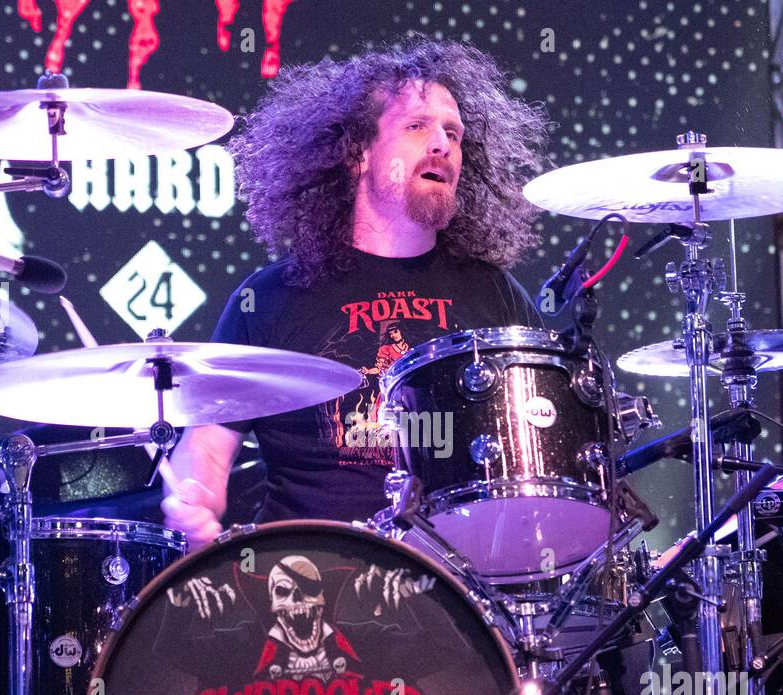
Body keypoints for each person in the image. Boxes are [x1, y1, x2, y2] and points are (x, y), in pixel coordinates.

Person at [161, 37, 549, 545]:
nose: (442, 144)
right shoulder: (271, 297)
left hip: (455, 574)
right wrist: (194, 501)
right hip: (303, 572)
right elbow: (208, 448)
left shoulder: (494, 293)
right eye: (416, 126)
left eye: (453, 133)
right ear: (357, 154)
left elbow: (542, 440)